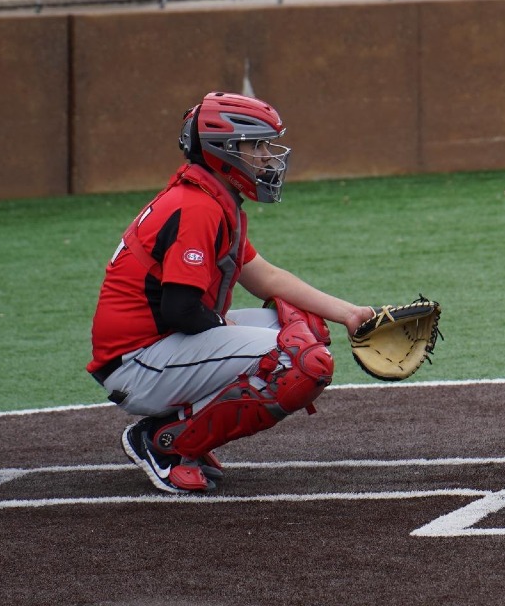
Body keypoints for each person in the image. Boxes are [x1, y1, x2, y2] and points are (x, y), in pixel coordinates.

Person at [88, 92, 374, 495]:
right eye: (256, 145)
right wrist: (228, 328)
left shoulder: (209, 199)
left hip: (158, 349)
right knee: (298, 359)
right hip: (140, 362)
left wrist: (348, 313)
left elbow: (266, 278)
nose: (267, 157)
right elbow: (180, 309)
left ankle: (184, 428)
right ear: (225, 150)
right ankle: (165, 441)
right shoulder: (197, 207)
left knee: (305, 327)